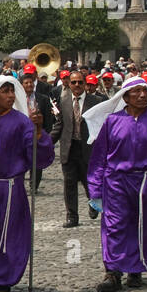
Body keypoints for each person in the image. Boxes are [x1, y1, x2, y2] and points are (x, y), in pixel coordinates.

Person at [84, 77, 147, 292]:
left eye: (144, 91)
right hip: (116, 182)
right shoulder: (112, 122)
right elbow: (99, 159)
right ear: (125, 97)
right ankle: (113, 272)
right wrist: (96, 189)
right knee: (115, 226)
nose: (142, 95)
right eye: (136, 92)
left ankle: (135, 268)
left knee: (143, 226)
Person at [0, 75, 54, 292]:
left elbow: (37, 156)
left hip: (8, 187)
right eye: (4, 92)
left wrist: (38, 133)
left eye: (11, 92)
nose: (9, 96)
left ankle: (2, 280)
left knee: (7, 234)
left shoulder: (22, 121)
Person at [54, 71, 106, 227]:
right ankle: (72, 216)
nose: (77, 85)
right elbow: (59, 125)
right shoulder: (63, 102)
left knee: (89, 182)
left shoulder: (96, 101)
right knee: (69, 184)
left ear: (85, 84)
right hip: (69, 148)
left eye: (80, 82)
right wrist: (45, 143)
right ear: (69, 84)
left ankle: (93, 204)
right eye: (73, 82)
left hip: (89, 149)